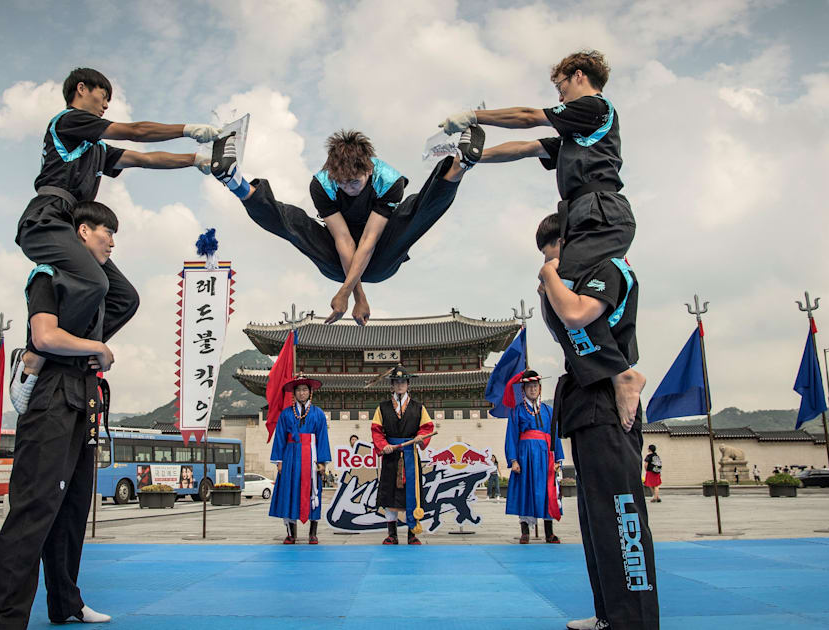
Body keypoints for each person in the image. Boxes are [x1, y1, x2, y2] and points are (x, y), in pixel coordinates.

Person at [438, 50, 645, 434]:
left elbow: (528, 118)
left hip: (601, 212)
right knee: (554, 297)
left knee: (566, 298)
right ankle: (615, 370)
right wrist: (472, 159)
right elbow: (525, 147)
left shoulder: (595, 107)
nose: (560, 96)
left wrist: (474, 116)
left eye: (560, 86)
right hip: (582, 217)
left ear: (578, 76)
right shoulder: (575, 137)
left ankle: (622, 372)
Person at [8, 67, 220, 413]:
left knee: (124, 297)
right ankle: (33, 355)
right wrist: (188, 130)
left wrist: (196, 161)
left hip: (73, 225)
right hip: (47, 220)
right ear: (81, 89)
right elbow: (136, 132)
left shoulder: (96, 148)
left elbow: (144, 159)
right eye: (103, 95)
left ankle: (72, 349)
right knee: (93, 281)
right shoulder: (69, 122)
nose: (107, 103)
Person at [0, 201, 122, 629]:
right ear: (81, 231)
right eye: (106, 233)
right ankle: (3, 620)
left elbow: (126, 299)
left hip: (82, 397)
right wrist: (97, 348)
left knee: (73, 508)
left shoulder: (92, 291)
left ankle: (66, 602)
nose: (113, 242)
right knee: (34, 509)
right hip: (50, 397)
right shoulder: (47, 275)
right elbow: (44, 335)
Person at [209, 128, 485, 325]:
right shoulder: (322, 184)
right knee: (294, 224)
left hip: (379, 256)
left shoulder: (389, 181)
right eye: (341, 182)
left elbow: (368, 241)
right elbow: (343, 239)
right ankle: (235, 181)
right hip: (337, 260)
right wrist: (355, 296)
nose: (347, 188)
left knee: (414, 213)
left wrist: (345, 293)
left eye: (354, 182)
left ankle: (461, 163)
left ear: (368, 170)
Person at [535, 212, 659, 629]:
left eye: (554, 253)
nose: (554, 264)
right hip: (584, 398)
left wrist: (550, 276)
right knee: (596, 520)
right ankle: (609, 614)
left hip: (608, 399)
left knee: (621, 516)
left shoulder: (609, 267)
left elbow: (577, 315)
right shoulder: (571, 279)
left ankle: (634, 622)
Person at [370, 365, 435, 545]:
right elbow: (376, 430)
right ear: (391, 385)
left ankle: (411, 534)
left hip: (410, 456)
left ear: (408, 384)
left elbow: (427, 428)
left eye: (403, 382)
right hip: (391, 455)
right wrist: (384, 446)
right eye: (396, 382)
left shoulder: (418, 408)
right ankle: (392, 534)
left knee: (411, 494)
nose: (400, 385)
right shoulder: (382, 408)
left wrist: (421, 438)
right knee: (389, 495)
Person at [268, 376, 332, 544]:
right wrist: (279, 461)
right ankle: (291, 533)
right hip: (291, 456)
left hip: (311, 456)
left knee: (313, 491)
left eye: (305, 390)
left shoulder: (318, 413)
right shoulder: (286, 414)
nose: (302, 393)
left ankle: (313, 532)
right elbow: (280, 437)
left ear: (310, 393)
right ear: (294, 393)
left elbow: (322, 438)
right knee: (289, 492)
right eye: (298, 390)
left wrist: (322, 462)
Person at [504, 370, 565, 543]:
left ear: (540, 388)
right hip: (525, 456)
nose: (533, 389)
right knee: (526, 491)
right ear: (523, 389)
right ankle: (525, 531)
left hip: (546, 456)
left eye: (535, 386)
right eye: (529, 386)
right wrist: (514, 460)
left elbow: (555, 435)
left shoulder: (548, 410)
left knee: (547, 492)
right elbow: (511, 436)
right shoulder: (517, 411)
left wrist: (558, 459)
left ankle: (549, 532)